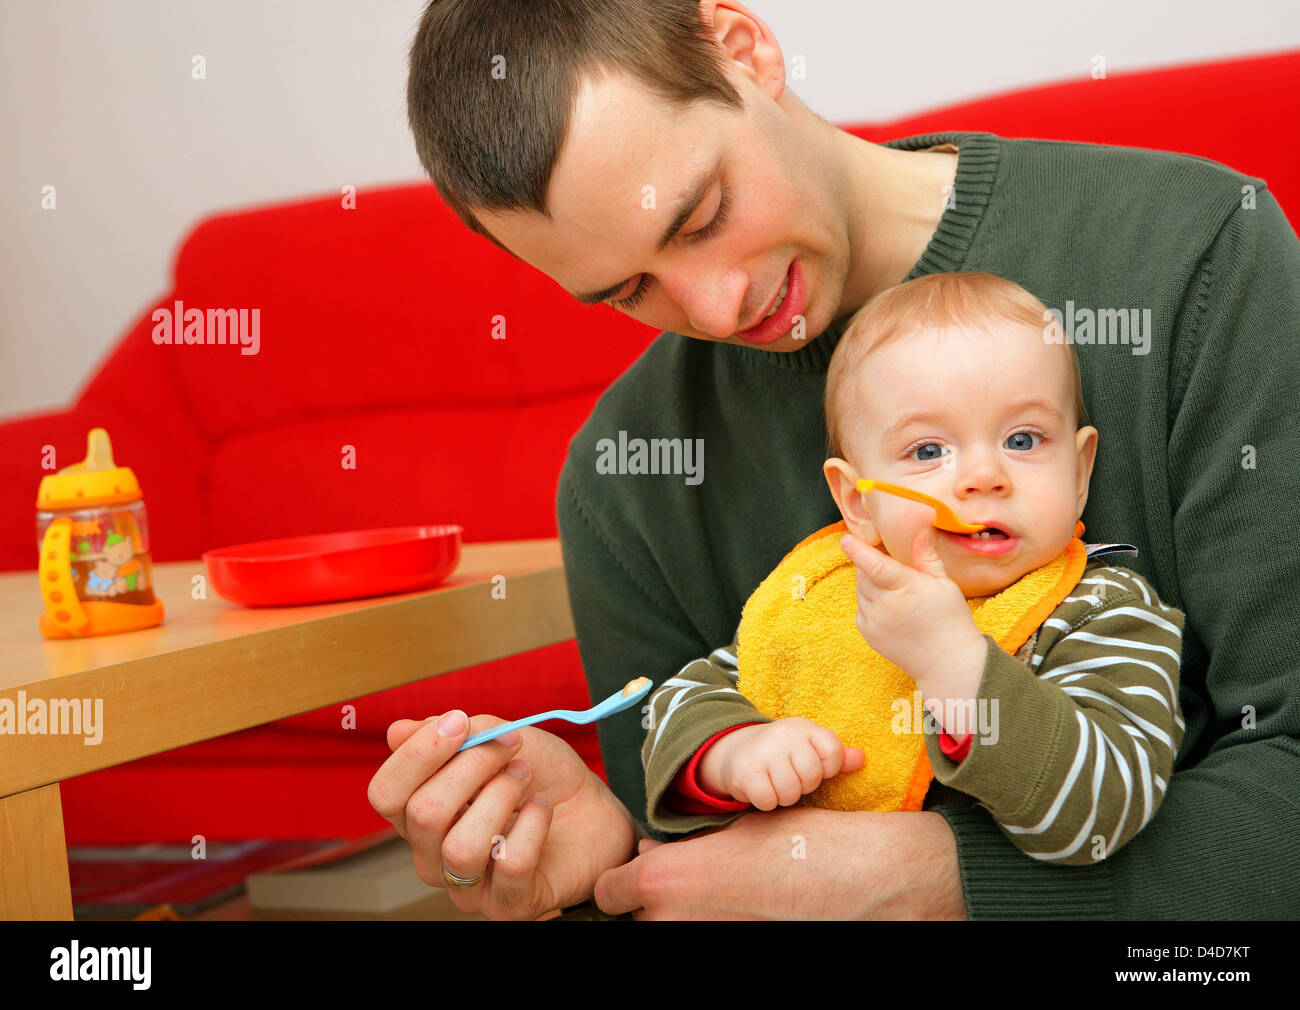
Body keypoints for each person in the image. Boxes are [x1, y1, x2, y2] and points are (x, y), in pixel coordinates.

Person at [369, 0, 1300, 919]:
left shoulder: (1196, 256)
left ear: (745, 50)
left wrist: (947, 879)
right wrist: (610, 857)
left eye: (701, 216)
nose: (717, 309)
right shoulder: (625, 477)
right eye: (628, 290)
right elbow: (696, 856)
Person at [642, 271, 1186, 870]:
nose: (984, 476)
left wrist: (955, 665)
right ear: (856, 501)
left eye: (1024, 440)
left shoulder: (1103, 612)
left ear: (1080, 473)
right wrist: (736, 752)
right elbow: (678, 701)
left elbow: (1105, 811)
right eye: (929, 451)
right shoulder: (826, 596)